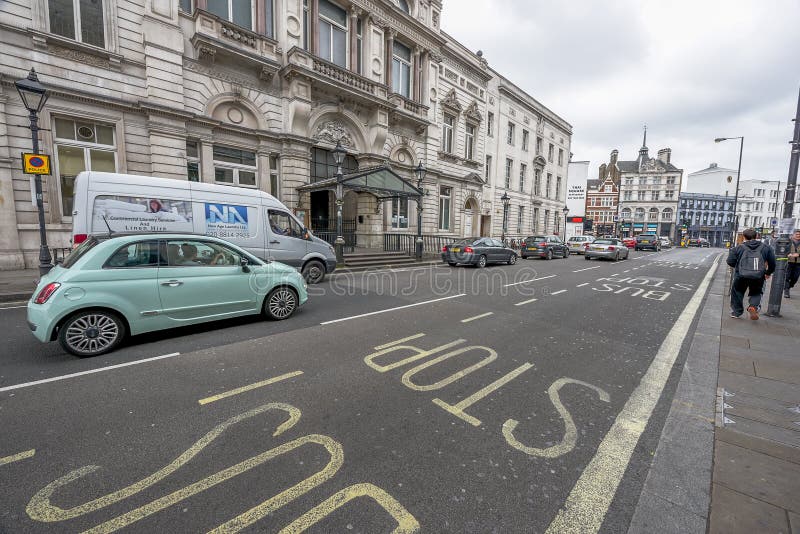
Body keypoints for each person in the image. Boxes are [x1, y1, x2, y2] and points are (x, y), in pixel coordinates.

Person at [727, 227, 776, 320]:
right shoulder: (766, 248)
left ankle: (736, 312)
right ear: (756, 236)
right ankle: (753, 307)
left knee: (737, 292)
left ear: (744, 237)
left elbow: (730, 261)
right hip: (758, 276)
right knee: (756, 292)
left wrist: (738, 267)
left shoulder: (738, 248)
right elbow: (772, 262)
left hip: (740, 275)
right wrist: (768, 272)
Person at [785, 229, 800, 298]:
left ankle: (790, 285)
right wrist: (787, 254)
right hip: (789, 262)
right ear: (793, 235)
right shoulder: (788, 242)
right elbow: (783, 250)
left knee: (795, 277)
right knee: (787, 276)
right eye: (796, 234)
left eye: (799, 234)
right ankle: (786, 290)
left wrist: (798, 255)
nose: (798, 236)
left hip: (798, 263)